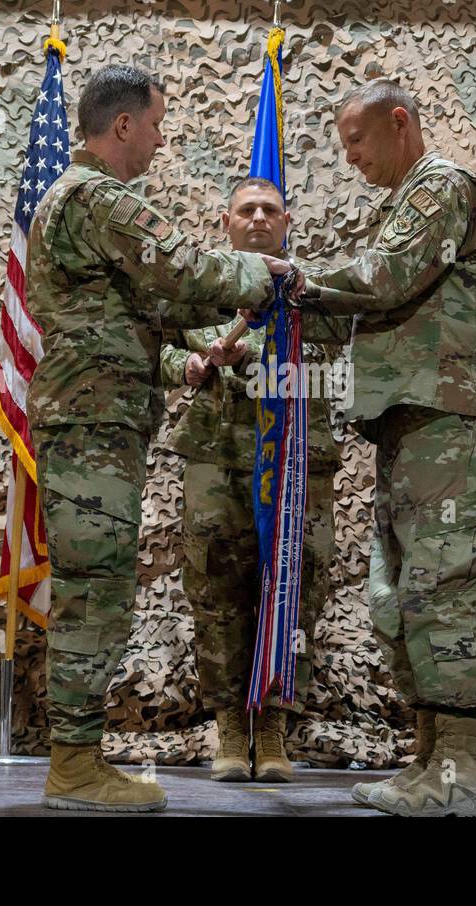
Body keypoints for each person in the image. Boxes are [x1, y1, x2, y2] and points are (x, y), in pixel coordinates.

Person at [25, 64, 293, 812]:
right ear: (121, 127)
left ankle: (79, 757)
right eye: (155, 123)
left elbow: (154, 305)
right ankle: (74, 766)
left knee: (96, 588)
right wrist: (260, 275)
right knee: (95, 592)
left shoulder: (72, 199)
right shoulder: (100, 198)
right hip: (93, 420)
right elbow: (183, 269)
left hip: (96, 417)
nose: (161, 137)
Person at [291, 79, 476, 816]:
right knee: (406, 597)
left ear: (399, 122)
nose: (349, 158)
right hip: (413, 421)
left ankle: (458, 774)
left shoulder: (441, 186)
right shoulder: (404, 201)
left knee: (441, 590)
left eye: (356, 141)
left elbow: (384, 279)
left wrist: (296, 279)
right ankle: (428, 762)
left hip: (451, 420)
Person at [159, 177, 343, 783]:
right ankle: (229, 730)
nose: (259, 218)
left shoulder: (307, 292)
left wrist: (259, 351)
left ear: (287, 221)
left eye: (270, 210)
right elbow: (155, 345)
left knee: (296, 588)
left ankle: (274, 730)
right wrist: (182, 364)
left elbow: (328, 353)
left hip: (297, 466)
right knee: (216, 590)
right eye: (247, 210)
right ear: (225, 221)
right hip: (217, 457)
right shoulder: (199, 284)